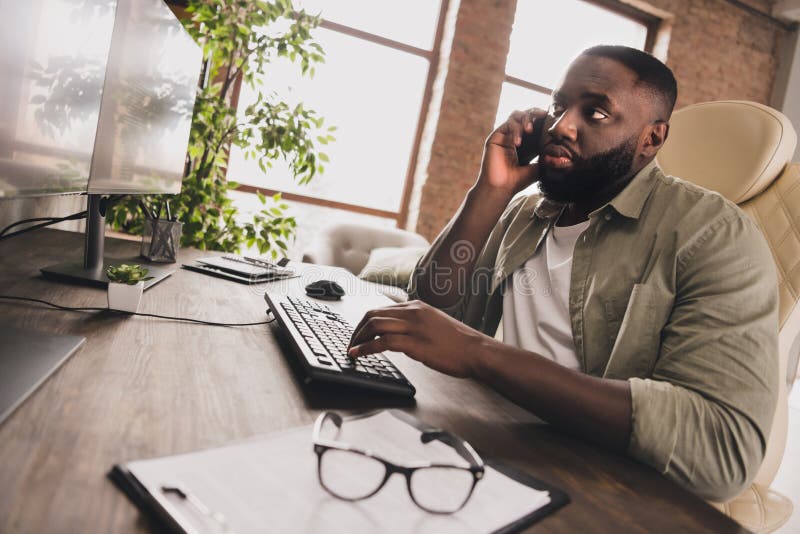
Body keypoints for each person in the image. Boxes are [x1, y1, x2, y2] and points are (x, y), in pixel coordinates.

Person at [347, 45, 779, 502]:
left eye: (594, 112)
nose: (560, 126)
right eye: (558, 105)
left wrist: (479, 353)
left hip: (583, 482)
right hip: (478, 439)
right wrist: (489, 192)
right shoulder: (526, 212)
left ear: (651, 140)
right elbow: (431, 306)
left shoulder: (713, 234)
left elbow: (722, 449)